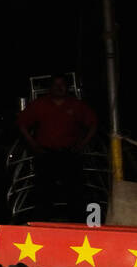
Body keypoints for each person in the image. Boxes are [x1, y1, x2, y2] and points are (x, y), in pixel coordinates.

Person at [17, 74, 97, 222]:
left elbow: (93, 123)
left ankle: (77, 225)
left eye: (62, 84)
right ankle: (42, 225)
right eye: (55, 84)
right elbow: (21, 123)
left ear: (67, 87)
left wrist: (83, 144)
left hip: (69, 154)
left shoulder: (76, 105)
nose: (59, 88)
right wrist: (33, 145)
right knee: (43, 193)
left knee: (76, 193)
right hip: (46, 154)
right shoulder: (40, 104)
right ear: (50, 87)